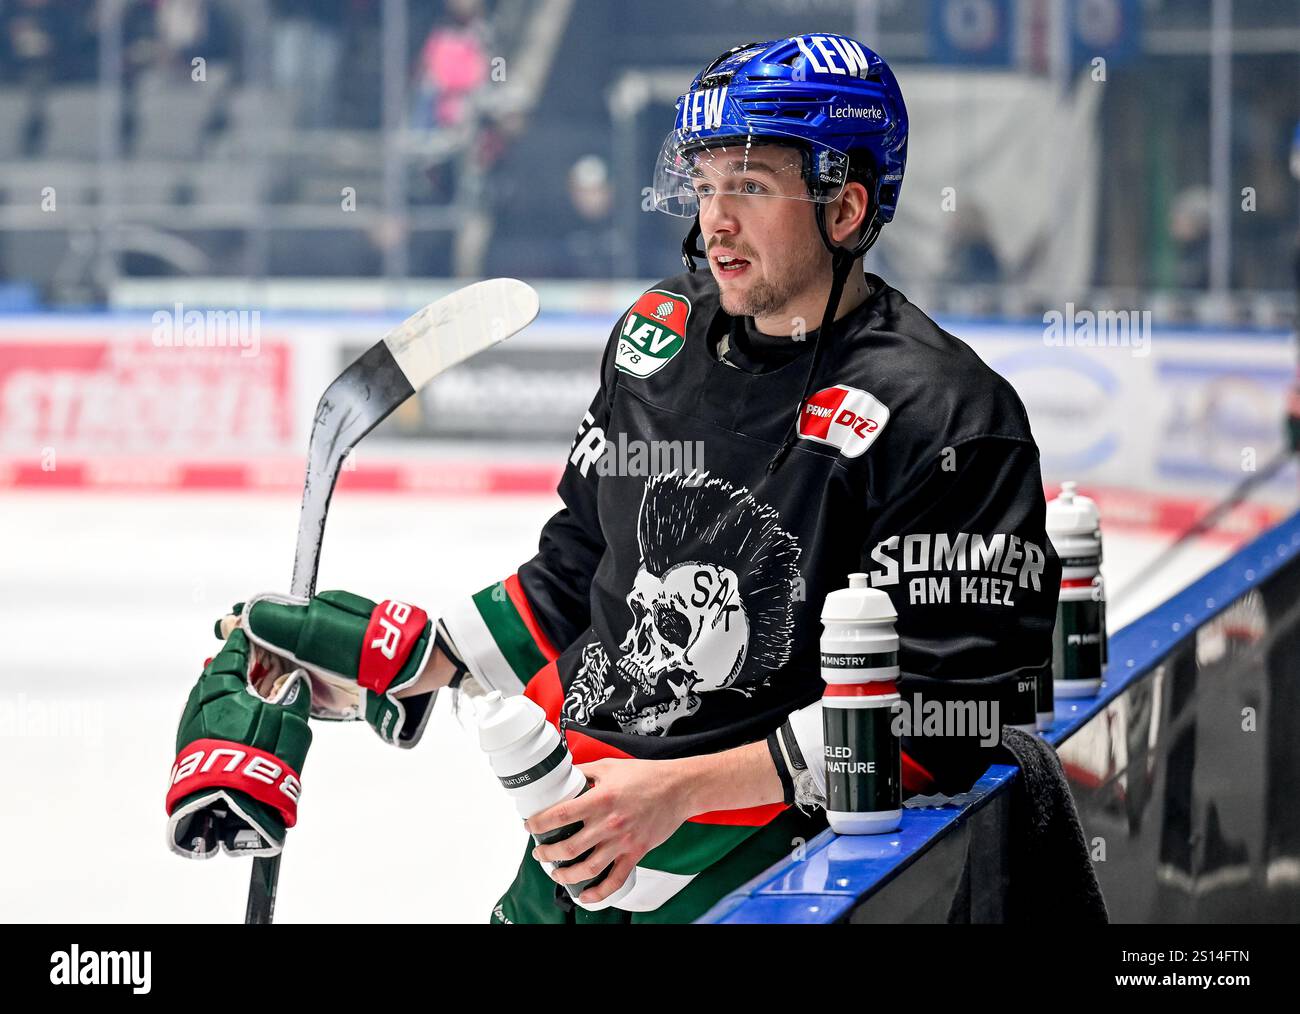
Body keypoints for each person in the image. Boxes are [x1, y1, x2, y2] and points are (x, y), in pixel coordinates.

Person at [165, 34, 1060, 924]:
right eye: (705, 184)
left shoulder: (947, 416)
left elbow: (948, 716)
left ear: (845, 205)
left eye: (749, 186)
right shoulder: (658, 338)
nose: (716, 220)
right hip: (576, 844)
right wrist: (426, 658)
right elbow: (581, 567)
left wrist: (675, 791)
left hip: (774, 872)